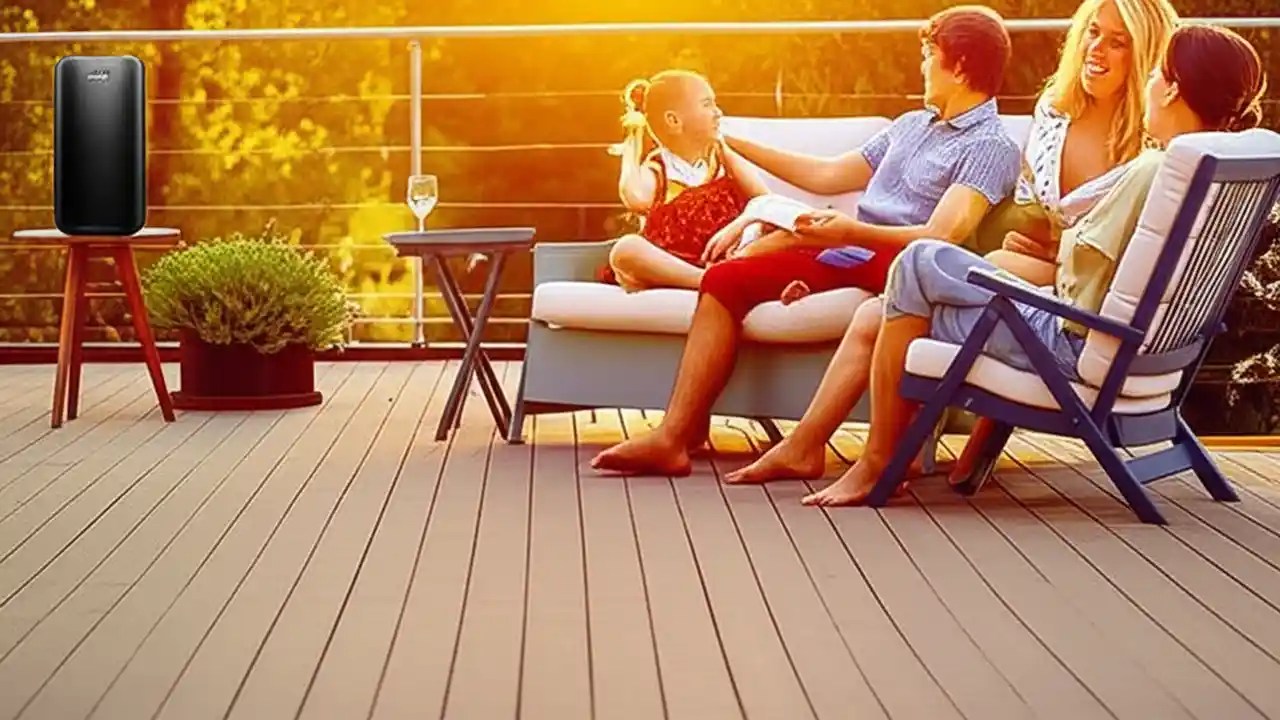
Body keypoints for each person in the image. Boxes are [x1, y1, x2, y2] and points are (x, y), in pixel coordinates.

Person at [799, 23, 1268, 506]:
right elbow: (1116, 261)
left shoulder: (1154, 168)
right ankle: (903, 457)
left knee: (916, 266)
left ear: (1171, 88)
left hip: (1068, 343)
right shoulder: (1211, 167)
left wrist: (1051, 256)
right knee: (924, 271)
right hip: (1148, 353)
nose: (1147, 83)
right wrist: (1052, 253)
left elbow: (1085, 269)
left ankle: (879, 464)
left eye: (1154, 73)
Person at [591, 5, 1023, 477]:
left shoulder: (990, 146)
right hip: (854, 250)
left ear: (958, 67)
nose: (921, 64)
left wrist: (847, 230)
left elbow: (940, 238)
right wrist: (729, 139)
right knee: (725, 278)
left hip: (907, 265)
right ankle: (674, 437)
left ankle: (803, 447)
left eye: (928, 54)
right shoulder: (910, 125)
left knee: (804, 247)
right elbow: (826, 174)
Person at [977, 0, 1179, 288]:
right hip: (1006, 263)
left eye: (1117, 43)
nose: (1096, 48)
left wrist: (1055, 256)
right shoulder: (1054, 112)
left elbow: (1128, 264)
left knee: (922, 271)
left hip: (1072, 298)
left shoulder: (1151, 157)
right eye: (1093, 31)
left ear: (1144, 57)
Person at [601, 70, 771, 291]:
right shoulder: (658, 171)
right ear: (673, 121)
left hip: (734, 252)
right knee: (625, 250)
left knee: (781, 232)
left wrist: (747, 230)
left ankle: (731, 277)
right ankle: (710, 281)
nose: (718, 112)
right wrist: (634, 139)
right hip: (680, 263)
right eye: (707, 104)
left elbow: (765, 202)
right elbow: (635, 198)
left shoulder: (723, 157)